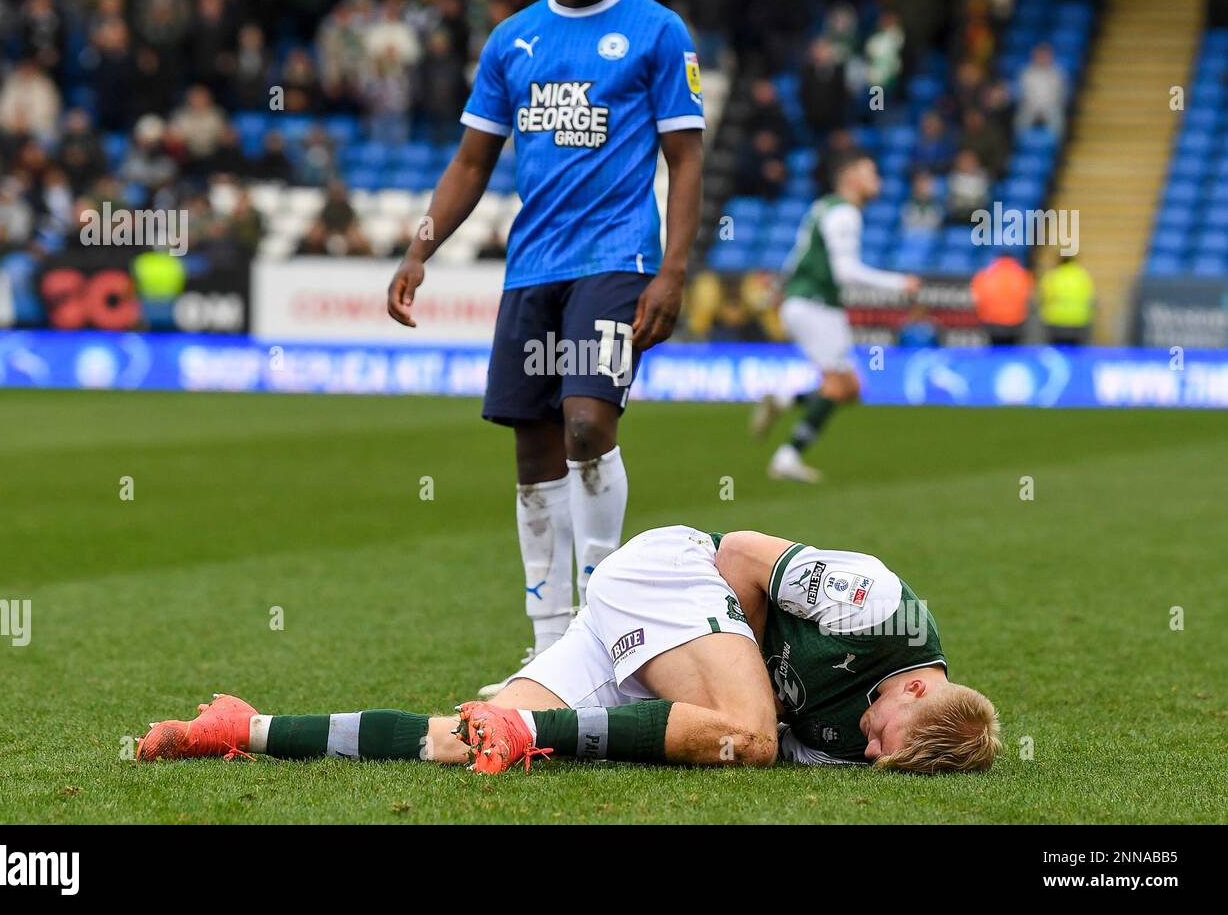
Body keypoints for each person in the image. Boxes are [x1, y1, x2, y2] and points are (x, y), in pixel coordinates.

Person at [385, 0, 704, 693]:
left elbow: (687, 159)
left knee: (588, 425)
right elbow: (470, 163)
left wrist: (671, 271)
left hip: (617, 258)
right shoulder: (512, 39)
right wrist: (421, 246)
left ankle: (605, 636)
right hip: (533, 266)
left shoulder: (660, 31)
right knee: (533, 455)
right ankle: (548, 645)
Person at [135, 526, 1000, 774]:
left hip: (665, 651)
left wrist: (703, 675)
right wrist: (726, 649)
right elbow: (740, 551)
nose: (865, 745)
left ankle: (239, 729)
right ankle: (547, 734)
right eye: (882, 732)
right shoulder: (874, 605)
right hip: (676, 578)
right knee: (753, 732)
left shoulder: (900, 748)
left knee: (461, 737)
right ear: (917, 688)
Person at [752, 148, 921, 482]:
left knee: (851, 387)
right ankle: (786, 458)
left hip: (812, 304)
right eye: (871, 172)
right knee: (836, 384)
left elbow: (798, 253)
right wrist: (900, 283)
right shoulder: (844, 214)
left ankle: (784, 401)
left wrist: (779, 290)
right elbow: (846, 272)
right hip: (815, 305)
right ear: (850, 176)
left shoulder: (823, 207)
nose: (878, 181)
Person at [970, 252, 1034, 346]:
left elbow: (977, 299)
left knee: (995, 351)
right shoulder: (1024, 275)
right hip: (1016, 322)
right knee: (1012, 351)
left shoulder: (984, 275)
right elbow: (1028, 298)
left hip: (991, 322)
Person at [1038, 255, 1094, 345]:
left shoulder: (1052, 276)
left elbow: (1043, 297)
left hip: (1055, 322)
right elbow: (1090, 298)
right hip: (1079, 321)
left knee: (1056, 352)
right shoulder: (1082, 276)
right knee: (1076, 353)